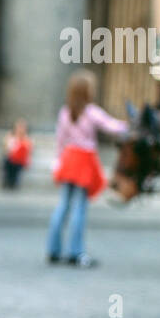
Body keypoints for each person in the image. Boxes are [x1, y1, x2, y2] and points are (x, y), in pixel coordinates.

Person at [48, 70, 126, 268]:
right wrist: (132, 124)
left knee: (63, 205)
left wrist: (58, 161)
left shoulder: (66, 112)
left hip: (69, 158)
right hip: (84, 160)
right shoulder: (91, 112)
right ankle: (76, 253)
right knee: (80, 208)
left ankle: (54, 250)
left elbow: (60, 140)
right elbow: (112, 126)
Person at [2, 117, 32, 189]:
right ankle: (8, 180)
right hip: (11, 158)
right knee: (8, 161)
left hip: (20, 160)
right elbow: (6, 149)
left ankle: (13, 181)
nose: (20, 129)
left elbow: (28, 151)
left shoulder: (26, 139)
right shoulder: (10, 136)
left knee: (16, 164)